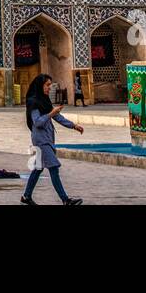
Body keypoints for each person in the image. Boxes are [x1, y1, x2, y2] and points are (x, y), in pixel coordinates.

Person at [21, 73, 84, 206]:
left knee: (38, 168)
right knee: (54, 167)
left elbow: (58, 117)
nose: (49, 88)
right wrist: (51, 113)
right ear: (40, 85)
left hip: (47, 139)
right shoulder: (33, 102)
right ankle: (65, 200)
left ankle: (26, 197)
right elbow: (37, 122)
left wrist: (74, 126)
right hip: (41, 141)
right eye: (47, 85)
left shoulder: (44, 100)